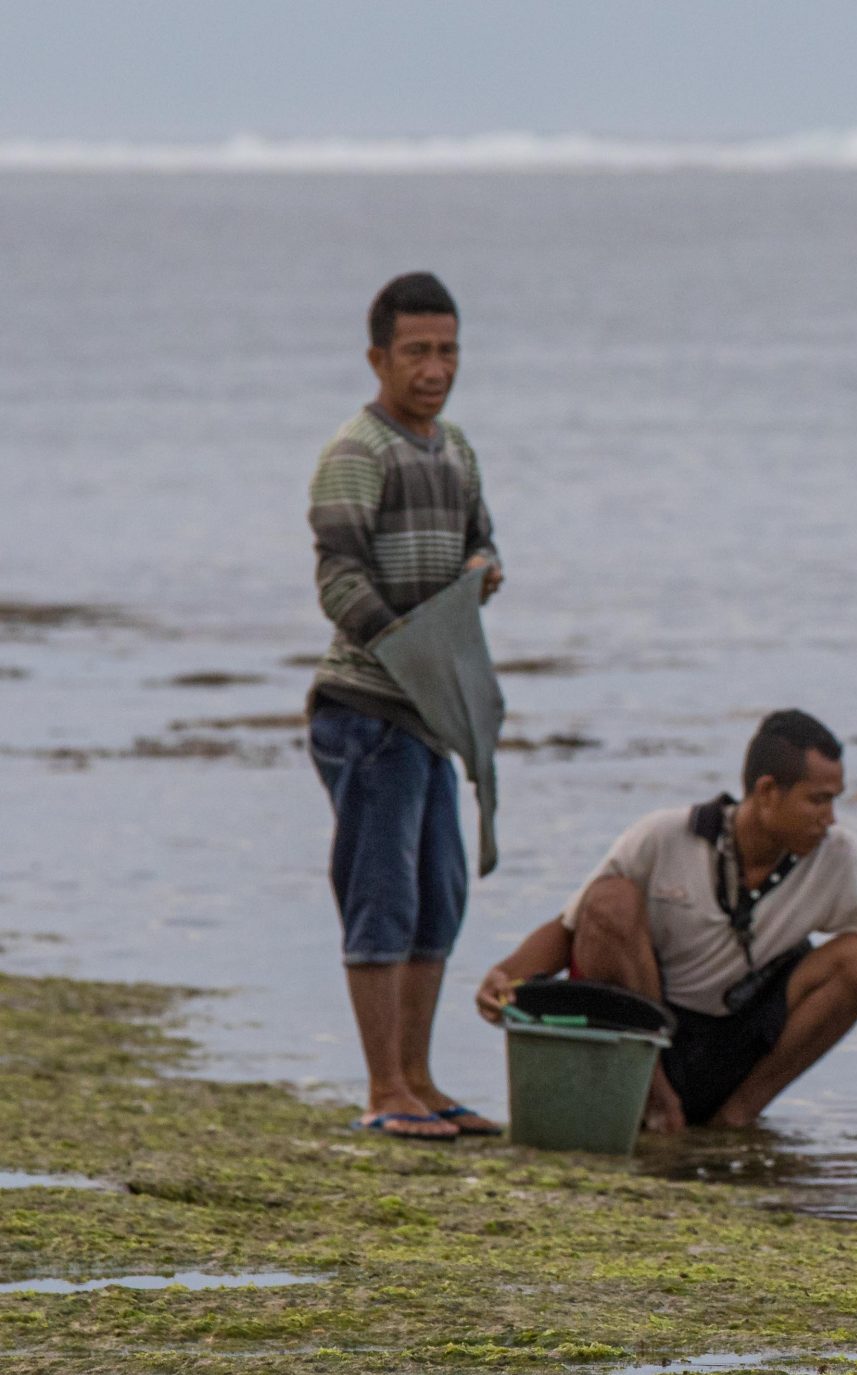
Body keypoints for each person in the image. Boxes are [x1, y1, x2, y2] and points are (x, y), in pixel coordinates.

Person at [474, 711, 857, 1132]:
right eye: (818, 801)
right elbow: (572, 926)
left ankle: (737, 1117)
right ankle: (657, 1101)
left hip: (744, 1041)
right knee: (610, 900)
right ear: (767, 792)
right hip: (647, 1036)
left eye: (835, 801)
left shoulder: (836, 857)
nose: (830, 818)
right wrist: (507, 976)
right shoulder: (665, 836)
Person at [307, 271, 505, 1139]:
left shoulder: (454, 448)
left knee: (439, 896)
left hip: (431, 716)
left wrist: (483, 574)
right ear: (378, 356)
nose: (436, 368)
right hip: (366, 709)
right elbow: (338, 579)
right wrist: (407, 648)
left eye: (448, 350)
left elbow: (483, 542)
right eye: (418, 351)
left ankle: (420, 1079)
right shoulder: (358, 451)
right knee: (380, 897)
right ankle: (383, 1087)